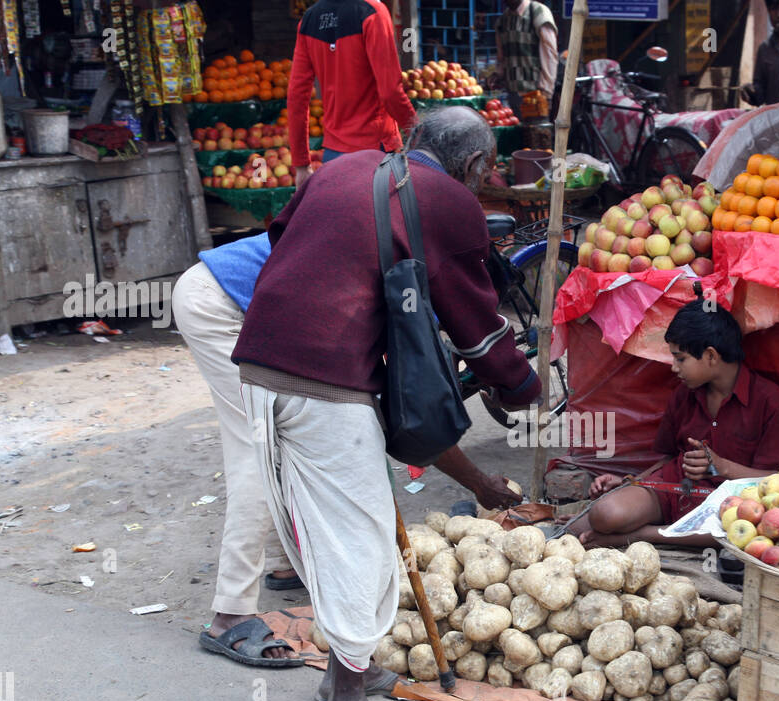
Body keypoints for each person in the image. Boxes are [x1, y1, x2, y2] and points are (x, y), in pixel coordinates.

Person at [232, 107, 541, 701]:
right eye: (484, 174)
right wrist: (520, 389)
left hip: (260, 363)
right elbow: (477, 328)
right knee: (360, 542)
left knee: (334, 526)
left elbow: (283, 237)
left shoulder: (341, 168)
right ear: (474, 169)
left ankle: (346, 670)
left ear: (414, 140)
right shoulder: (451, 202)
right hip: (323, 378)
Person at [171, 235, 526, 672]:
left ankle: (287, 565)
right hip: (224, 304)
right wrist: (476, 482)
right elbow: (411, 416)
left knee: (287, 438)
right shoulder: (417, 292)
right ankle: (231, 612)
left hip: (258, 306)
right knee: (257, 450)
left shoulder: (424, 268)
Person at [570, 296, 779, 548]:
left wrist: (723, 467)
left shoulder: (770, 402)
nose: (674, 368)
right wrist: (631, 482)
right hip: (677, 489)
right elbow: (669, 458)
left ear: (710, 356)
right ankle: (650, 532)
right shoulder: (685, 393)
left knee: (736, 534)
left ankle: (644, 535)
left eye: (681, 359)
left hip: (731, 504)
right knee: (598, 517)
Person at [285, 0, 418, 187]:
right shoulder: (373, 13)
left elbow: (296, 96)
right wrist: (417, 132)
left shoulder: (309, 19)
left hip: (333, 155)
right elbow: (390, 92)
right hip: (374, 152)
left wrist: (301, 165)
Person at [494, 0, 559, 112]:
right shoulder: (502, 21)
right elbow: (502, 58)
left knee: (537, 129)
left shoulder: (538, 12)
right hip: (513, 95)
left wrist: (546, 94)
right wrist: (497, 75)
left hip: (536, 96)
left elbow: (550, 55)